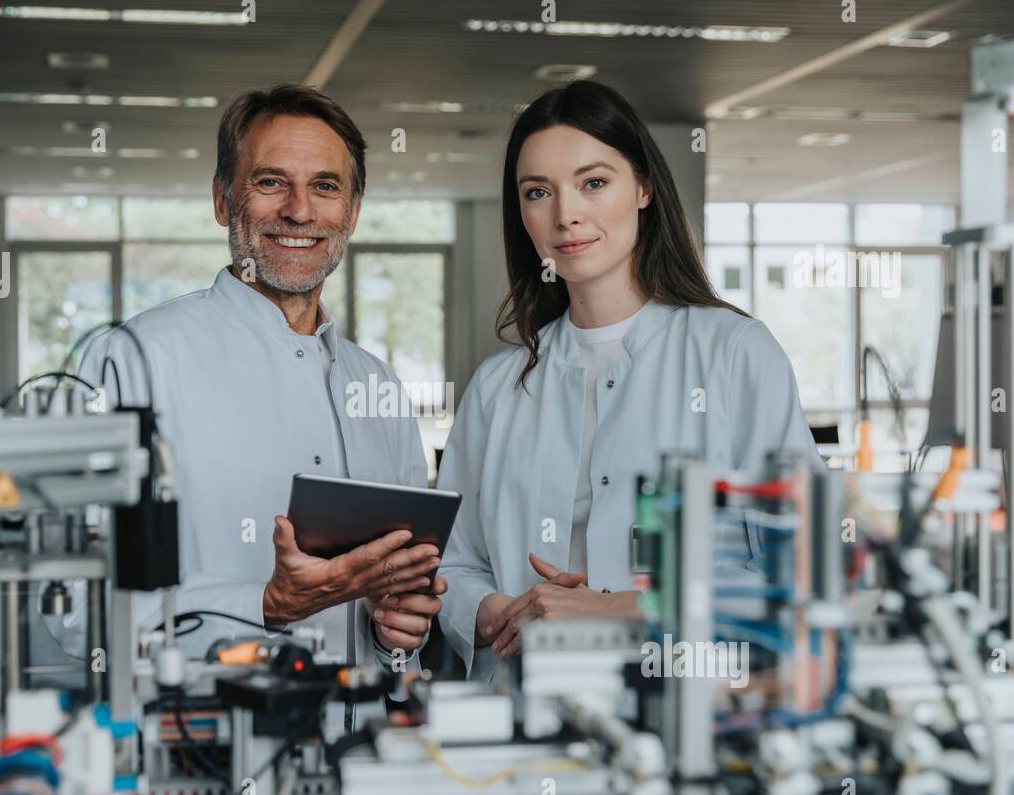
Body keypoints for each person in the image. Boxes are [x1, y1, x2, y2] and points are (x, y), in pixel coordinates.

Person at [49, 84, 444, 730]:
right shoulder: (134, 361)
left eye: (325, 186)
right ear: (222, 199)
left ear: (353, 211)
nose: (298, 210)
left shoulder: (378, 386)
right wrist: (263, 603)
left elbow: (398, 610)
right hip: (192, 760)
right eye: (270, 182)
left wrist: (397, 630)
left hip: (360, 758)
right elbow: (71, 604)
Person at [436, 80, 821, 682]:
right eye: (539, 192)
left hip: (685, 717)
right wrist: (496, 613)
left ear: (643, 188)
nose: (567, 215)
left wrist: (615, 610)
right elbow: (455, 566)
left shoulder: (735, 354)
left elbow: (801, 567)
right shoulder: (495, 387)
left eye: (594, 182)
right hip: (515, 724)